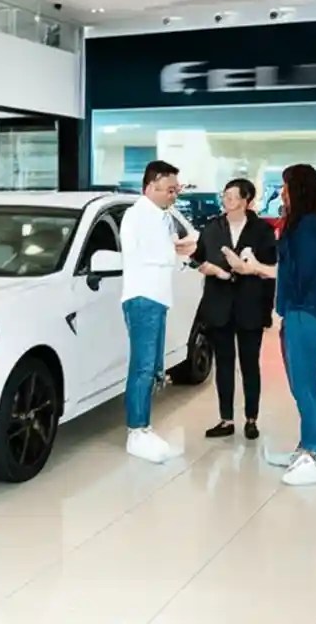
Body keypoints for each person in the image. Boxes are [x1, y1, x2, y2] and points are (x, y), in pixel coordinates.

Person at [225, 164, 316, 486]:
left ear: (300, 189)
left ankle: (314, 455)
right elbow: (292, 269)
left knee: (305, 385)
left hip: (307, 312)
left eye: (286, 186)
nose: (282, 192)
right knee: (298, 384)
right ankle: (305, 448)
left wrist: (255, 268)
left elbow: (298, 273)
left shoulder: (309, 227)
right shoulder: (303, 224)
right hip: (298, 310)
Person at [120, 160, 196, 463]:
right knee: (142, 367)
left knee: (152, 367)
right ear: (150, 187)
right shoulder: (136, 216)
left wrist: (179, 248)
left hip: (158, 298)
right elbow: (144, 253)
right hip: (143, 298)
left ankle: (144, 427)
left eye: (176, 190)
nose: (173, 196)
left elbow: (178, 247)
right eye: (169, 190)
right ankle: (136, 430)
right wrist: (176, 249)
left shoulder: (163, 216)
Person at [194, 178, 276, 441]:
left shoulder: (262, 230)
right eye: (225, 195)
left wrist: (267, 311)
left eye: (232, 196)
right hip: (219, 305)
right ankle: (226, 419)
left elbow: (270, 271)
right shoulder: (212, 227)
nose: (227, 200)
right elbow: (199, 257)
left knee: (250, 364)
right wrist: (207, 267)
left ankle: (251, 418)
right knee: (224, 364)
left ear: (246, 200)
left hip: (250, 306)